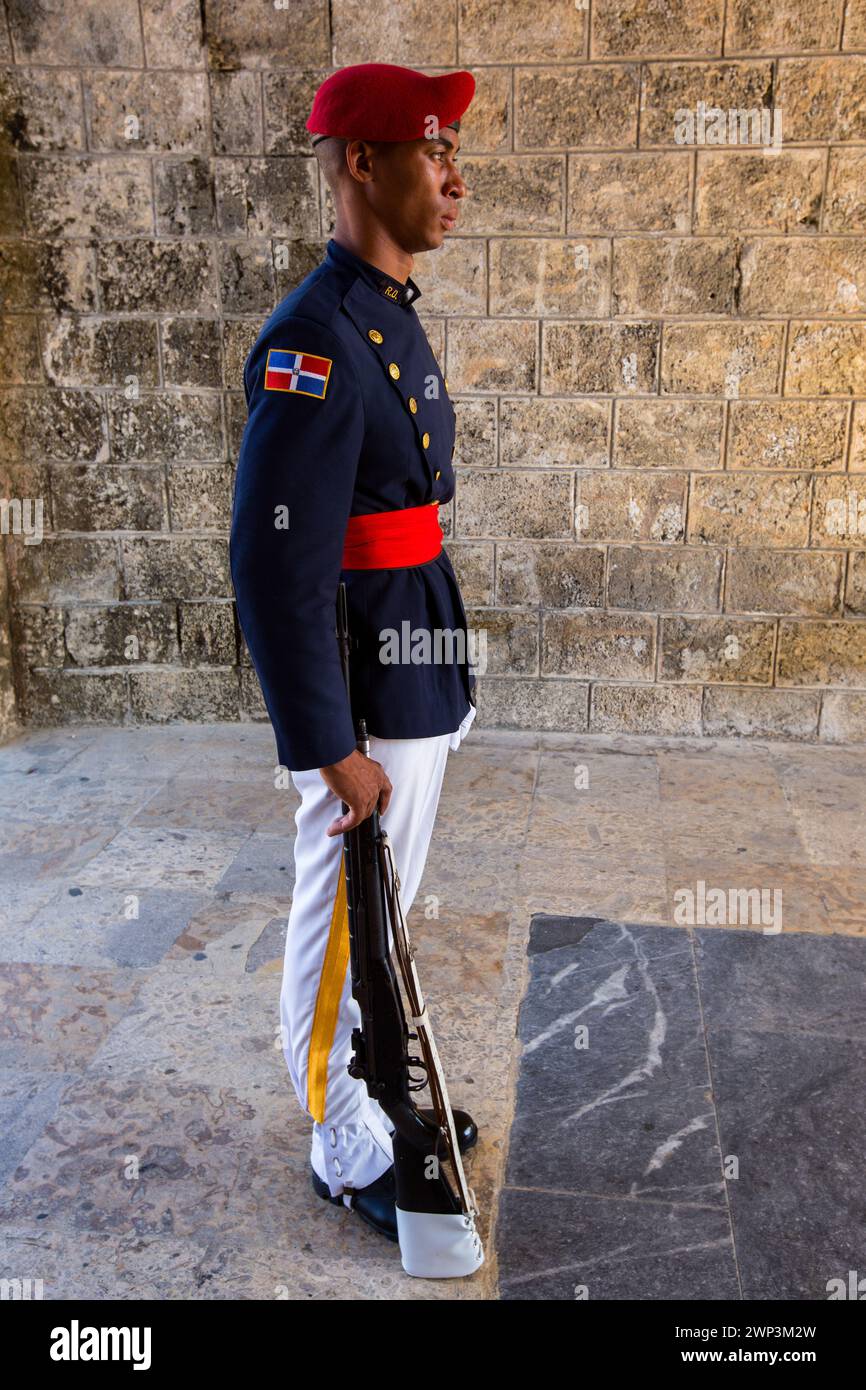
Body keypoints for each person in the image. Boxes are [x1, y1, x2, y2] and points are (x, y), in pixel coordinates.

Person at [229, 62, 480, 1243]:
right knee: (338, 921)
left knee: (385, 907)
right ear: (361, 165)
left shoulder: (386, 314)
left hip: (413, 663)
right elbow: (274, 564)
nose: (455, 179)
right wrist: (330, 749)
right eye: (433, 154)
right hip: (363, 695)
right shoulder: (313, 341)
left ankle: (379, 1086)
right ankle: (339, 1136)